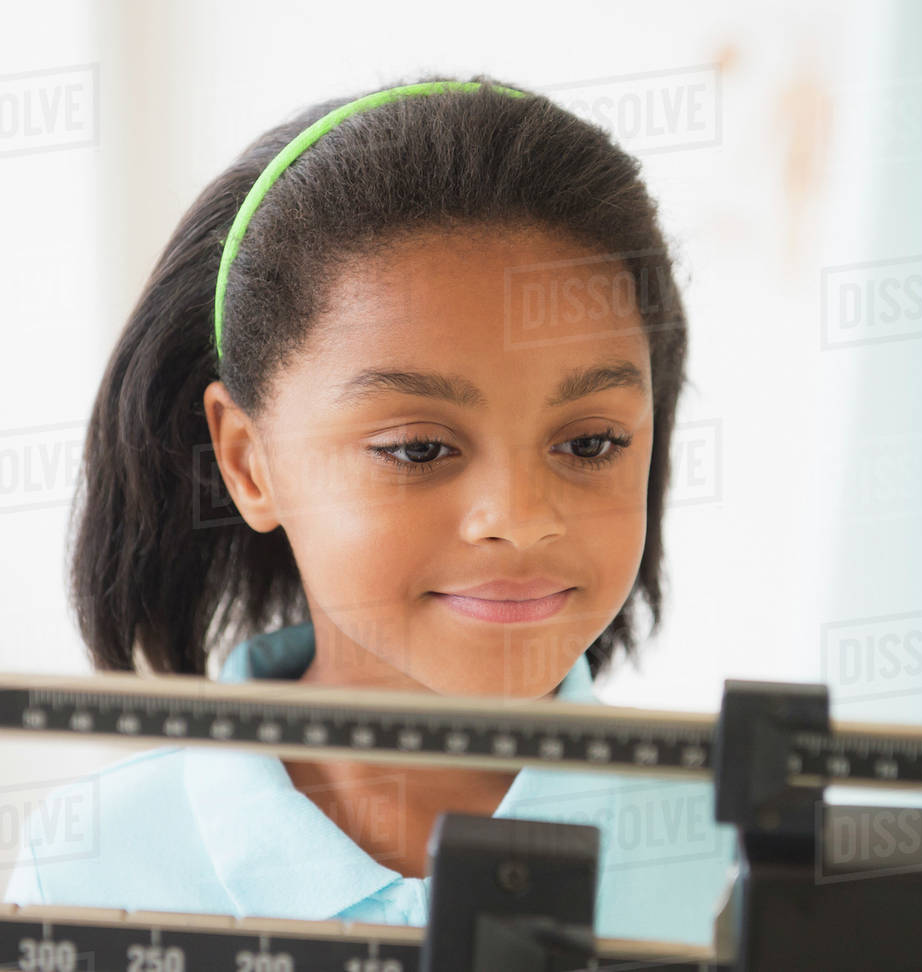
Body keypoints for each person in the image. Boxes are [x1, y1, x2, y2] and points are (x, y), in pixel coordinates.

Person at [2, 74, 737, 949]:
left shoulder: (736, 860)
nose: (521, 517)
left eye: (589, 445)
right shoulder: (97, 863)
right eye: (419, 449)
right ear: (248, 462)